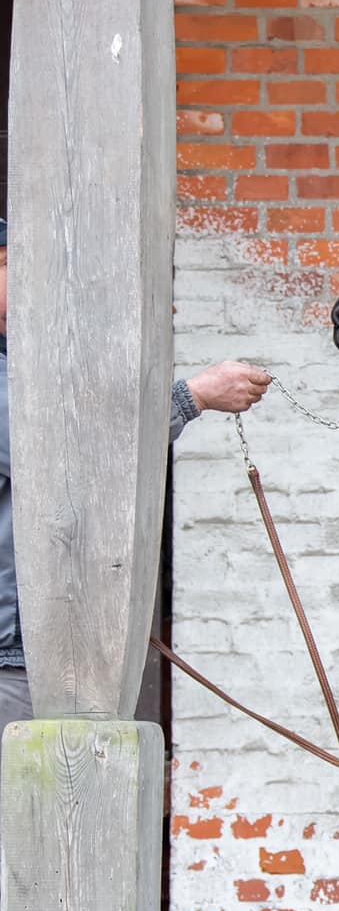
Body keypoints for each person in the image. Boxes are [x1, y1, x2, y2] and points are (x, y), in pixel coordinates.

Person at [0, 217, 274, 725]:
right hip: (9, 657)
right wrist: (191, 397)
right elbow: (63, 456)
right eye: (13, 265)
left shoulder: (28, 366)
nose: (32, 281)